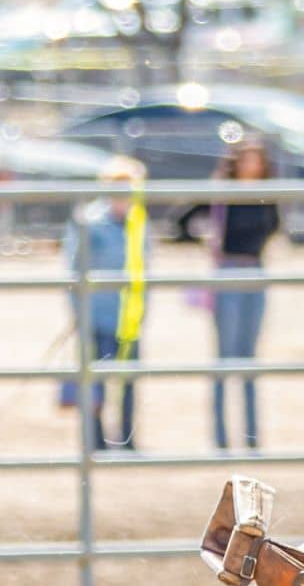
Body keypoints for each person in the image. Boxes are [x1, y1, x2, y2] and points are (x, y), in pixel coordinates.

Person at [174, 137, 279, 451]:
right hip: (228, 270)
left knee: (249, 359)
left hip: (256, 272)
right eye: (246, 159)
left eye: (256, 160)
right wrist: (207, 242)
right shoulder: (222, 192)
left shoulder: (267, 195)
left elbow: (274, 228)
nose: (251, 165)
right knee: (224, 357)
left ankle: (250, 437)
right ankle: (220, 438)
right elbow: (183, 219)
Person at [63, 156, 148, 452]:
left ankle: (126, 438)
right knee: (95, 383)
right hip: (96, 314)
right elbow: (74, 268)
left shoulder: (138, 222)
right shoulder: (89, 221)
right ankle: (94, 440)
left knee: (127, 383)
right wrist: (77, 313)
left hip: (129, 316)